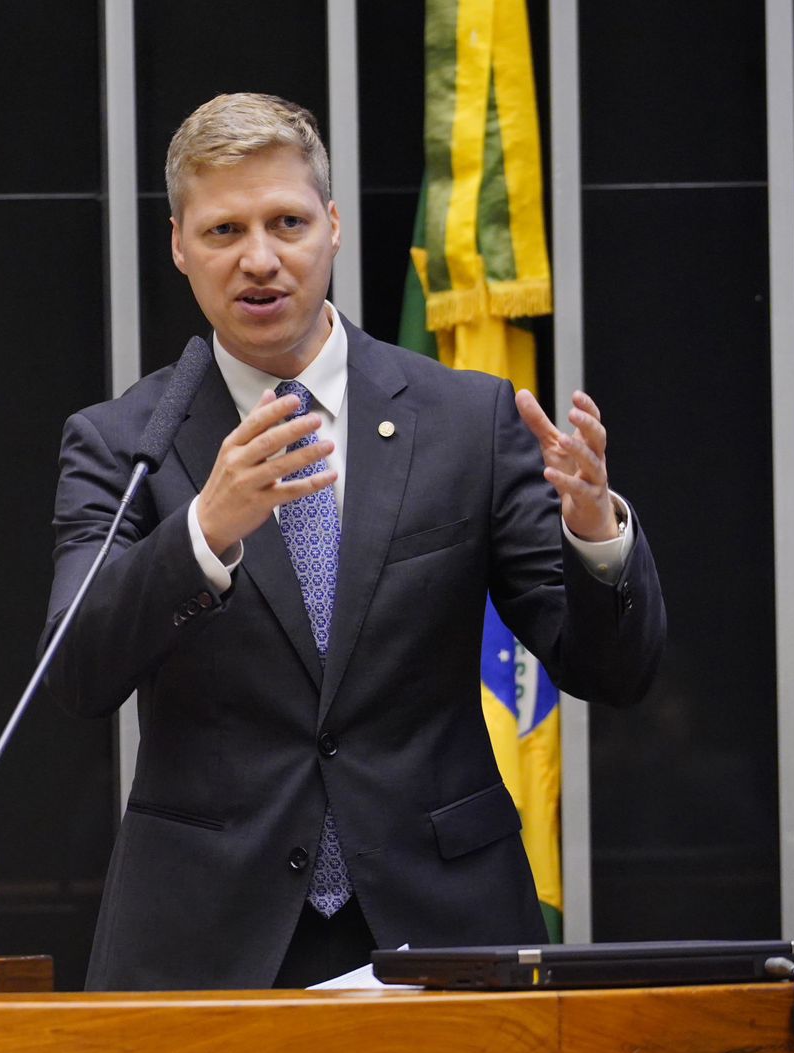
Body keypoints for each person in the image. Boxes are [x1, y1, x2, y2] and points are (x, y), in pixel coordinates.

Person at [42, 93, 664, 991]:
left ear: (333, 226)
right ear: (179, 245)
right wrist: (204, 532)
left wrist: (596, 536)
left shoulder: (465, 420)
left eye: (287, 223)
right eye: (224, 231)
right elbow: (76, 672)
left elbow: (612, 671)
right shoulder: (123, 443)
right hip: (207, 938)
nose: (260, 258)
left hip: (442, 920)